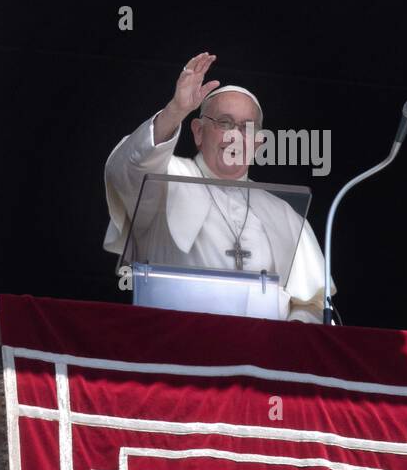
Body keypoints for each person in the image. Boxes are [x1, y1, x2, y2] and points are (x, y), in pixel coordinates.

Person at [103, 52, 332, 322]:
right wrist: (175, 111)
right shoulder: (165, 180)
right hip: (176, 349)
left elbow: (311, 306)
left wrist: (286, 340)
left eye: (247, 127)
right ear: (199, 132)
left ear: (258, 143)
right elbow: (127, 168)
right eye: (224, 123)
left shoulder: (286, 215)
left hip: (259, 357)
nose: (236, 135)